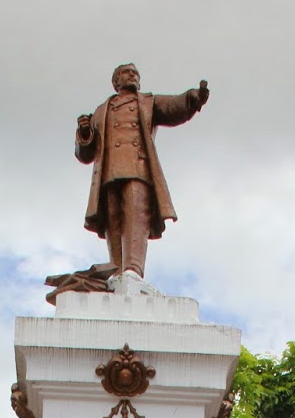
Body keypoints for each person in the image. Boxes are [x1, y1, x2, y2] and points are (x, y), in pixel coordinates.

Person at [76, 64, 209, 283]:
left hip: (138, 169)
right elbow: (85, 155)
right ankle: (117, 270)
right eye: (127, 72)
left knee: (136, 215)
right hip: (109, 172)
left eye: (136, 73)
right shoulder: (101, 111)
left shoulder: (148, 102)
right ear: (116, 81)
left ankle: (133, 270)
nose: (133, 75)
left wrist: (192, 98)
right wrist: (83, 133)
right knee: (114, 219)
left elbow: (173, 107)